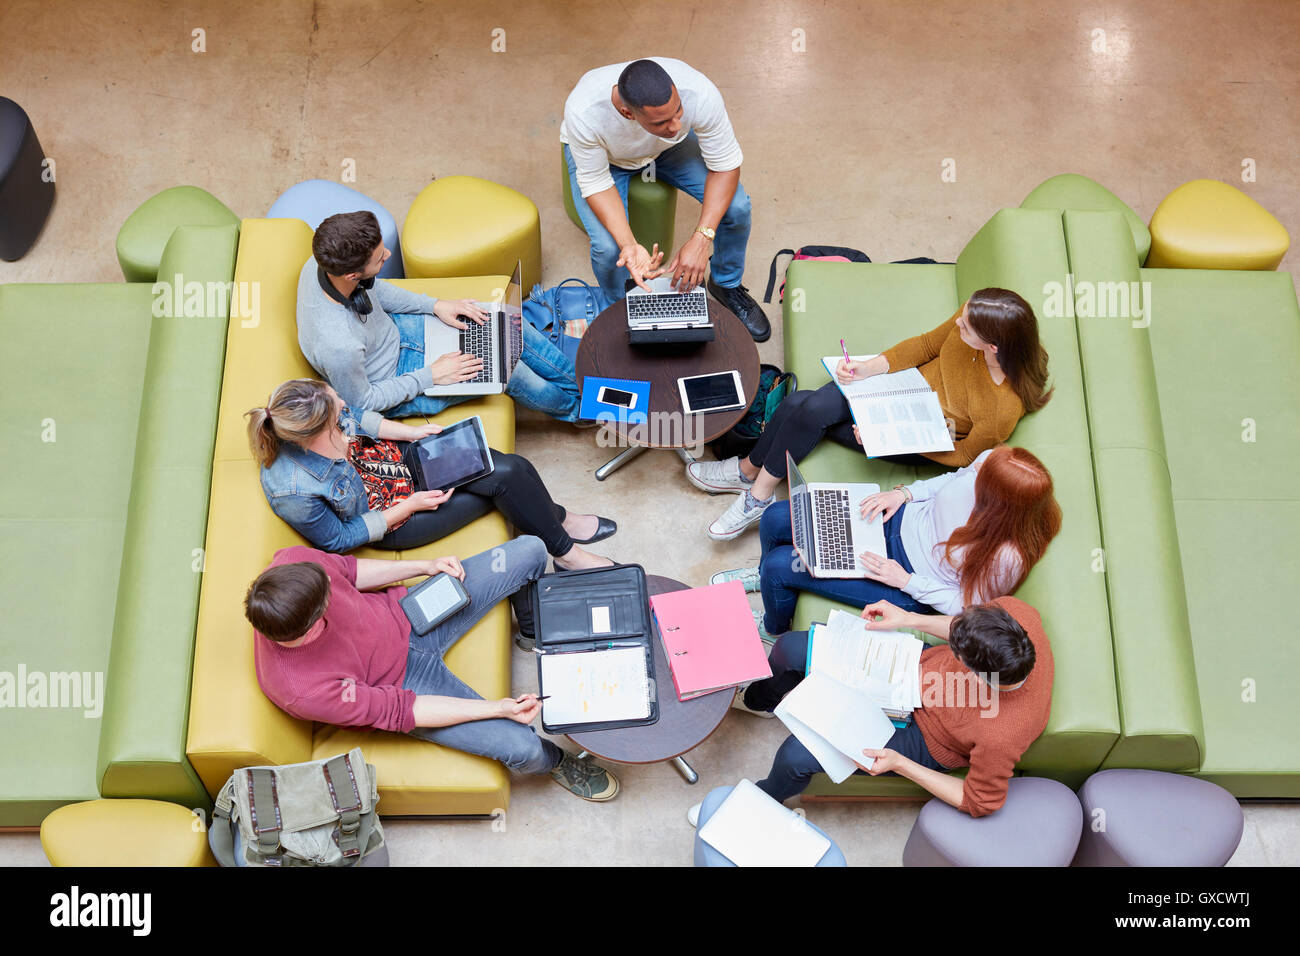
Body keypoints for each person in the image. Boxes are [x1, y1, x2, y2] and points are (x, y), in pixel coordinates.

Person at [244, 536, 619, 801]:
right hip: (405, 685)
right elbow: (404, 710)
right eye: (328, 601)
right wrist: (498, 708)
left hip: (411, 610)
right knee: (522, 747)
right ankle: (555, 762)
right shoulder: (299, 687)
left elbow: (350, 571)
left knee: (531, 550)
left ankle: (531, 632)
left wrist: (425, 566)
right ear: (311, 624)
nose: (333, 591)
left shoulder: (294, 565)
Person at [685, 289, 1052, 539]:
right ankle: (752, 479)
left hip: (918, 437)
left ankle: (752, 484)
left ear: (992, 346)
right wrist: (869, 368)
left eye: (965, 328)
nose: (958, 323)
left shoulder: (1003, 406)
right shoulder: (974, 315)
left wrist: (890, 437)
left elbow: (964, 457)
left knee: (805, 410)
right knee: (802, 405)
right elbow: (927, 345)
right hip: (898, 390)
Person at [726, 596, 1052, 817]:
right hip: (911, 667)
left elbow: (979, 801)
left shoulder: (1003, 734)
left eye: (958, 654)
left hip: (925, 736)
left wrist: (900, 764)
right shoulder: (1016, 615)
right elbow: (963, 629)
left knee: (794, 756)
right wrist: (909, 618)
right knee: (789, 649)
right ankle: (759, 702)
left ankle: (762, 803)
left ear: (977, 675)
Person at [248, 378, 616, 571]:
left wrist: (411, 434)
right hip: (393, 518)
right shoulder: (293, 489)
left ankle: (560, 523)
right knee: (504, 481)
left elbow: (360, 416)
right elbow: (340, 539)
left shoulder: (302, 407)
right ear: (313, 435)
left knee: (511, 468)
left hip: (402, 460)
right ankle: (567, 552)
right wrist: (409, 506)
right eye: (337, 414)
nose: (344, 408)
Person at [715, 444, 1061, 640]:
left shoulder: (1006, 556)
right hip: (893, 519)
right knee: (777, 517)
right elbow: (953, 478)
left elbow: (967, 607)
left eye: (982, 482)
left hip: (903, 579)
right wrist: (905, 493)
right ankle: (761, 579)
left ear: (997, 502)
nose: (977, 475)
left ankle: (774, 628)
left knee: (780, 567)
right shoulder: (991, 462)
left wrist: (907, 581)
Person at [297, 210, 581, 422]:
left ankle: (586, 389)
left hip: (399, 331)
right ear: (352, 275)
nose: (389, 254)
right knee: (510, 369)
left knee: (504, 323)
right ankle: (579, 412)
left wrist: (436, 305)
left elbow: (375, 290)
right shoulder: (338, 345)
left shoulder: (319, 263)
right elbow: (364, 402)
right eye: (380, 258)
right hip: (400, 378)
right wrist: (430, 375)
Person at [561, 57, 770, 341]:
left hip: (666, 152)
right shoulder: (584, 111)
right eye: (662, 121)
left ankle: (726, 284)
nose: (677, 125)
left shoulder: (698, 91)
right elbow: (596, 182)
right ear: (627, 113)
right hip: (607, 159)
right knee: (609, 250)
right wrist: (629, 246)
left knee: (737, 207)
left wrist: (701, 238)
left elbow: (725, 165)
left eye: (679, 111)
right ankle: (619, 307)